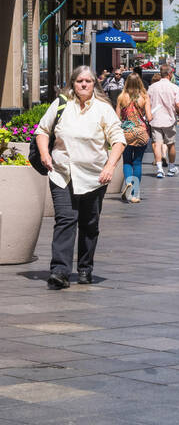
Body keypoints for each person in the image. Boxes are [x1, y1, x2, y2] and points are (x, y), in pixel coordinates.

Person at [35, 66, 127, 288]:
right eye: (79, 81)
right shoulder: (61, 104)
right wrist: (45, 153)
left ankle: (85, 268)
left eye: (88, 81)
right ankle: (60, 271)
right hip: (62, 172)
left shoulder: (103, 109)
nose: (83, 85)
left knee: (89, 223)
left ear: (94, 84)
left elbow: (118, 139)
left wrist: (110, 166)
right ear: (73, 83)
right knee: (66, 219)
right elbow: (42, 131)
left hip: (94, 175)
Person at [116, 73, 152, 203]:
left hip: (126, 133)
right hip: (141, 132)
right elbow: (149, 117)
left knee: (126, 161)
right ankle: (135, 193)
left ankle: (128, 182)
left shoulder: (121, 97)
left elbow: (117, 117)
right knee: (137, 162)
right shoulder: (144, 97)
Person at [148, 66, 179, 178]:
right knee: (171, 144)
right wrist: (178, 112)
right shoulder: (174, 87)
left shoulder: (152, 87)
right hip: (169, 119)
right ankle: (171, 167)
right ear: (170, 74)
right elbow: (178, 105)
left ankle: (159, 169)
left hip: (155, 119)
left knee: (157, 144)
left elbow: (147, 103)